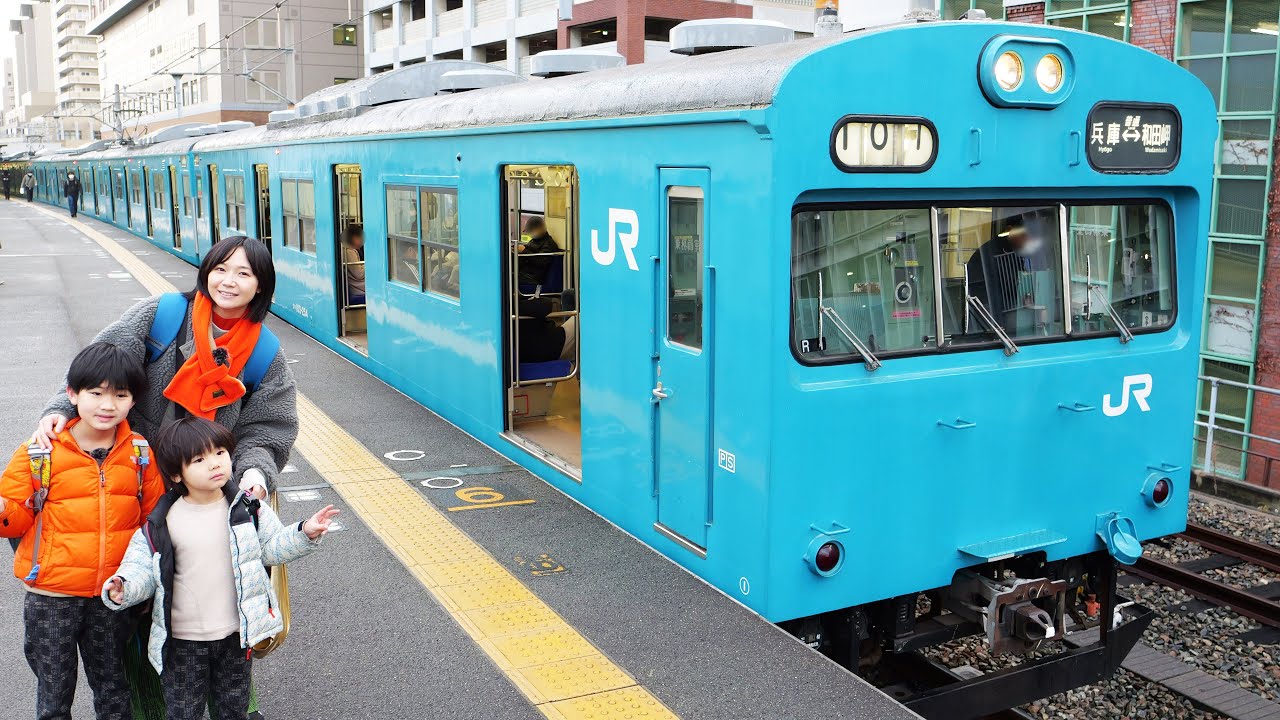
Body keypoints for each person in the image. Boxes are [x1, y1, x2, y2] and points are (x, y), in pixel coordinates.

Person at [33, 235, 298, 720]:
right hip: (134, 480)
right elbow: (100, 360)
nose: (229, 281)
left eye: (244, 273)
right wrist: (58, 410)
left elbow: (268, 426)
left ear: (261, 285)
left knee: (220, 597)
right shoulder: (163, 317)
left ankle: (235, 707)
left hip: (209, 492)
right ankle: (150, 706)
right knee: (139, 597)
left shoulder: (264, 352)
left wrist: (255, 474)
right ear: (207, 271)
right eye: (221, 268)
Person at [103, 417, 338, 720]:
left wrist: (304, 532)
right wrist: (123, 587)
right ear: (176, 473)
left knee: (232, 710)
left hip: (234, 636)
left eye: (220, 453)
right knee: (183, 712)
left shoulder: (248, 509)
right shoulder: (162, 521)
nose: (214, 464)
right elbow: (141, 570)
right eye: (199, 459)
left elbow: (272, 547)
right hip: (182, 642)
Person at [0, 342, 166, 720]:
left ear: (132, 401)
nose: (107, 405)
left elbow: (152, 521)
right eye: (96, 393)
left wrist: (144, 581)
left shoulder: (139, 453)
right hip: (51, 593)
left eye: (120, 395)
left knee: (113, 687)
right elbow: (14, 518)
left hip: (113, 593)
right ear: (72, 394)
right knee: (54, 692)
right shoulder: (40, 452)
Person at [964, 216, 1045, 329]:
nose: (1027, 241)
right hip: (987, 313)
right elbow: (1006, 284)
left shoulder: (1014, 252)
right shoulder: (990, 253)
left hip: (1005, 309)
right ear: (1009, 230)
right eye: (1024, 236)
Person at [517, 296, 576, 363]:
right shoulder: (511, 306)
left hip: (536, 346)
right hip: (549, 348)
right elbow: (545, 306)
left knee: (568, 295)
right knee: (583, 317)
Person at [516, 216, 559, 288]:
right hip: (527, 272)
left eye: (531, 231)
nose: (530, 234)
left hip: (534, 277)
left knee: (507, 277)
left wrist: (524, 251)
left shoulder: (548, 244)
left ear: (540, 229)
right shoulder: (535, 240)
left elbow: (541, 261)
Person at [342, 224, 365, 304]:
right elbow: (359, 274)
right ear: (354, 238)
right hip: (358, 289)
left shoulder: (349, 250)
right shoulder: (349, 252)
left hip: (357, 286)